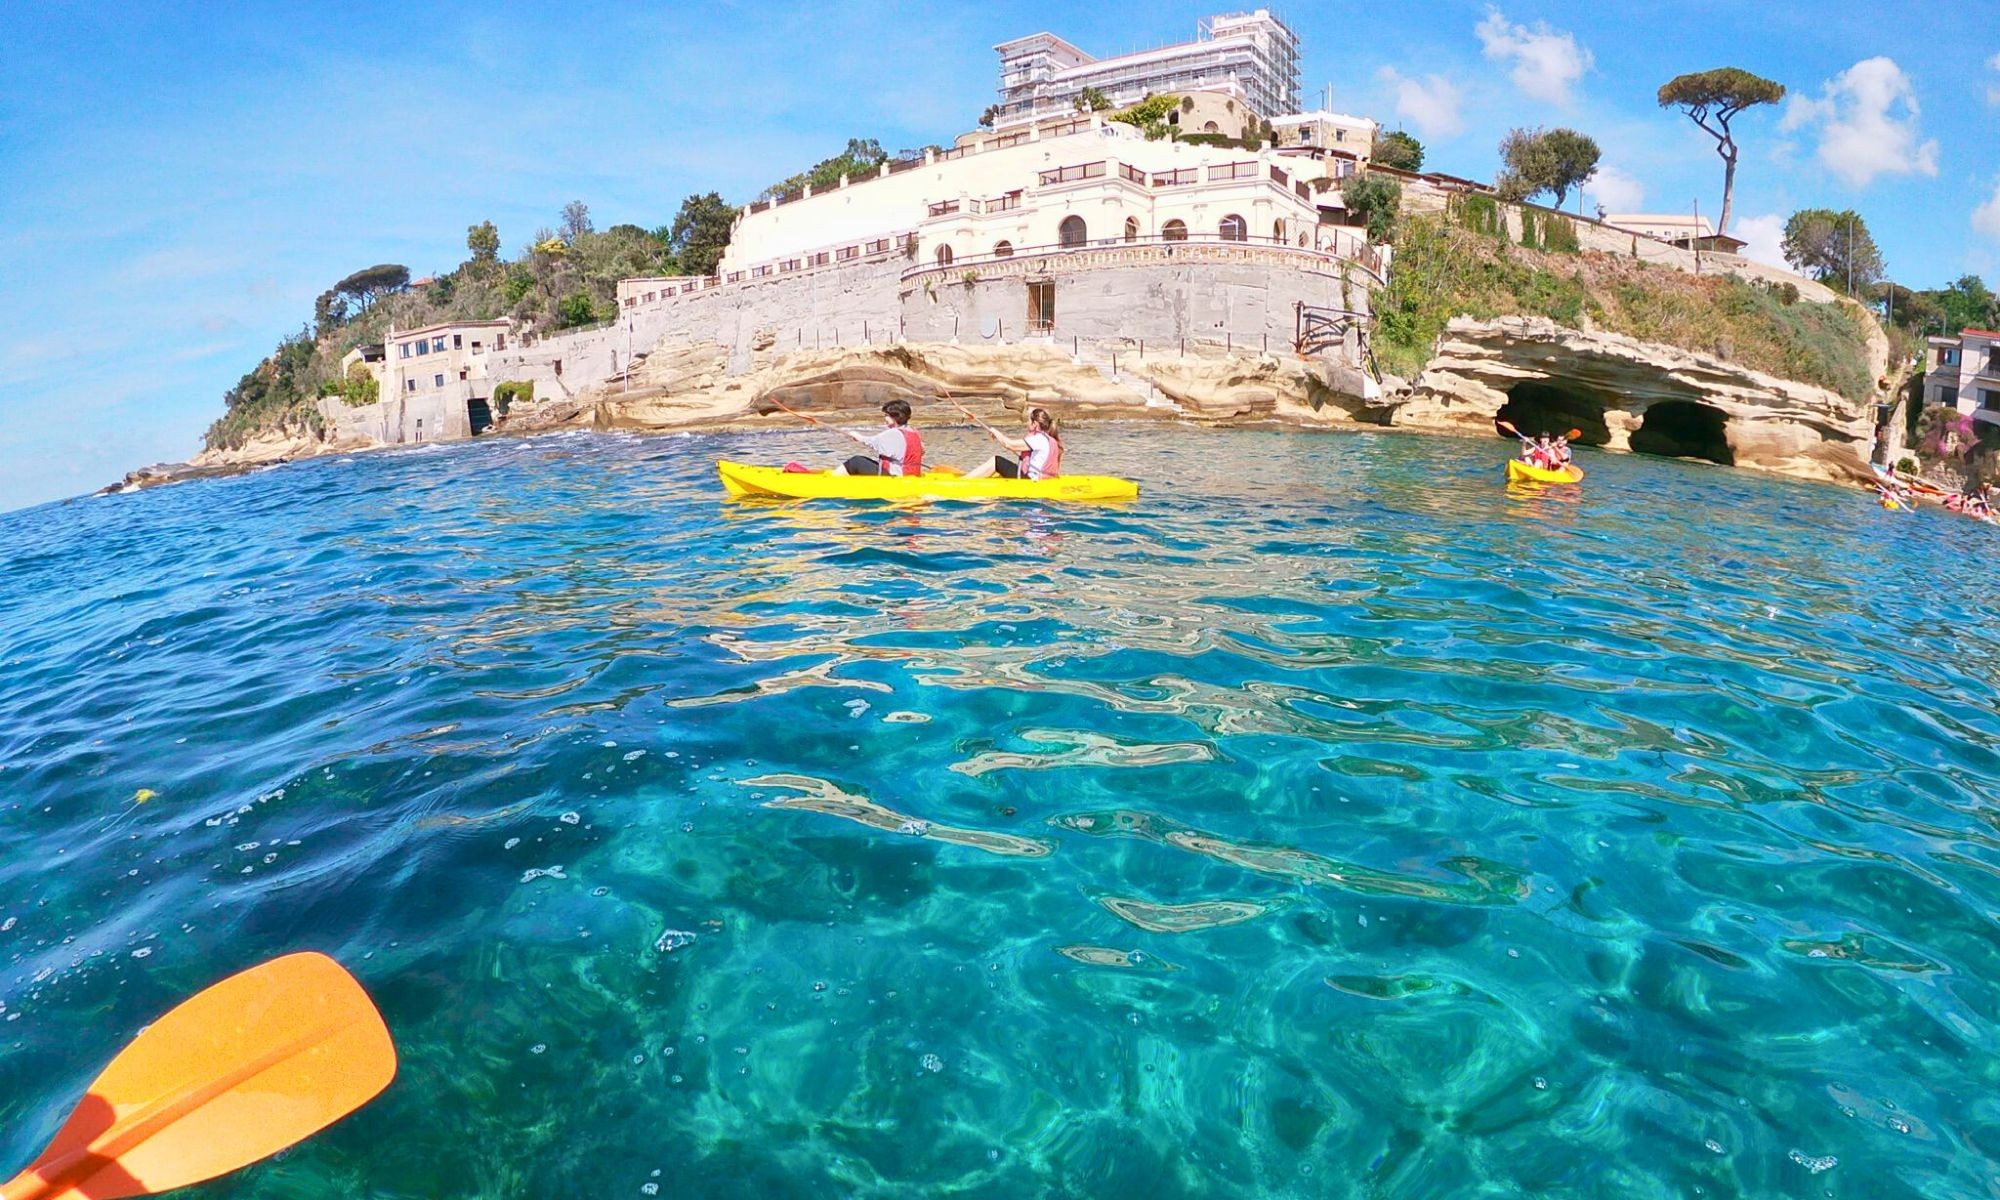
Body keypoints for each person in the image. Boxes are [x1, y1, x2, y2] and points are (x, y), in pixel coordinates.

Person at [961, 405, 1064, 480]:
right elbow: (1021, 453)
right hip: (1045, 480)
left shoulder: (1038, 439)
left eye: (1029, 421)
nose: (1027, 423)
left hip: (1030, 481)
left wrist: (995, 431)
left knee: (996, 461)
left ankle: (963, 482)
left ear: (1035, 424)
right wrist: (998, 437)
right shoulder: (1050, 440)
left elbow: (1009, 444)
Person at [832, 399, 924, 476]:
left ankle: (832, 480)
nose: (885, 419)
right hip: (910, 475)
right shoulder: (914, 432)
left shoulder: (893, 433)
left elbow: (873, 442)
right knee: (871, 462)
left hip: (894, 477)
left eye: (886, 415)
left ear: (895, 417)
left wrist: (858, 436)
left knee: (856, 461)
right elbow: (922, 451)